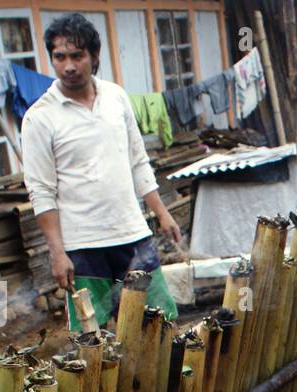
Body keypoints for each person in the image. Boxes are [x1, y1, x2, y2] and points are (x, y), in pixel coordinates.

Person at [20, 13, 180, 330]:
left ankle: (159, 381)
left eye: (77, 55)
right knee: (96, 335)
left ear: (94, 56)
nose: (68, 65)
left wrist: (162, 212)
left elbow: (137, 159)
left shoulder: (116, 97)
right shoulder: (39, 117)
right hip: (82, 244)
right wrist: (57, 253)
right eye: (59, 56)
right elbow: (41, 191)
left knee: (159, 324)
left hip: (131, 232)